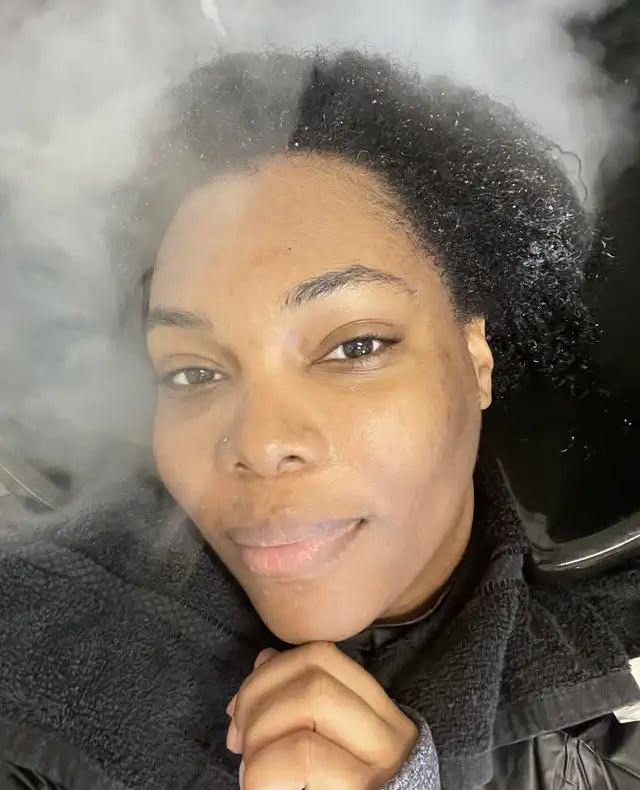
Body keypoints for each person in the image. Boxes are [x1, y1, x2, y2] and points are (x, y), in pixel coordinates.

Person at [0, 50, 638, 790]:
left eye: (354, 346)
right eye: (192, 372)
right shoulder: (34, 649)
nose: (261, 443)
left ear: (476, 359)